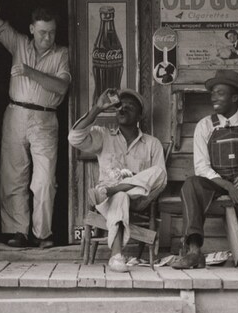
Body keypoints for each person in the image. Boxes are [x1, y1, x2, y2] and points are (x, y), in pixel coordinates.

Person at [0, 0, 71, 248]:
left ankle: (43, 234)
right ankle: (18, 231)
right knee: (13, 177)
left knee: (45, 180)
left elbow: (61, 87)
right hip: (15, 113)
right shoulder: (20, 43)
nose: (47, 38)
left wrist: (29, 71)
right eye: (43, 32)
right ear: (32, 28)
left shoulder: (62, 54)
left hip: (45, 118)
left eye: (52, 33)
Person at [173, 69, 238, 270]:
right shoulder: (205, 126)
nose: (213, 98)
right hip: (216, 183)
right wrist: (228, 186)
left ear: (235, 97)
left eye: (220, 93)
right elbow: (202, 167)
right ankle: (194, 252)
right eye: (212, 93)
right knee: (191, 184)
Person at [69, 88, 167, 272]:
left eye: (130, 107)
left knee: (159, 172)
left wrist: (120, 187)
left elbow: (160, 180)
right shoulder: (103, 136)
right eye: (120, 106)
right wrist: (97, 109)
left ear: (140, 116)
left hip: (139, 200)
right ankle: (116, 256)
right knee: (121, 196)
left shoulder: (152, 143)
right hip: (108, 200)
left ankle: (115, 189)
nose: (122, 109)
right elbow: (74, 138)